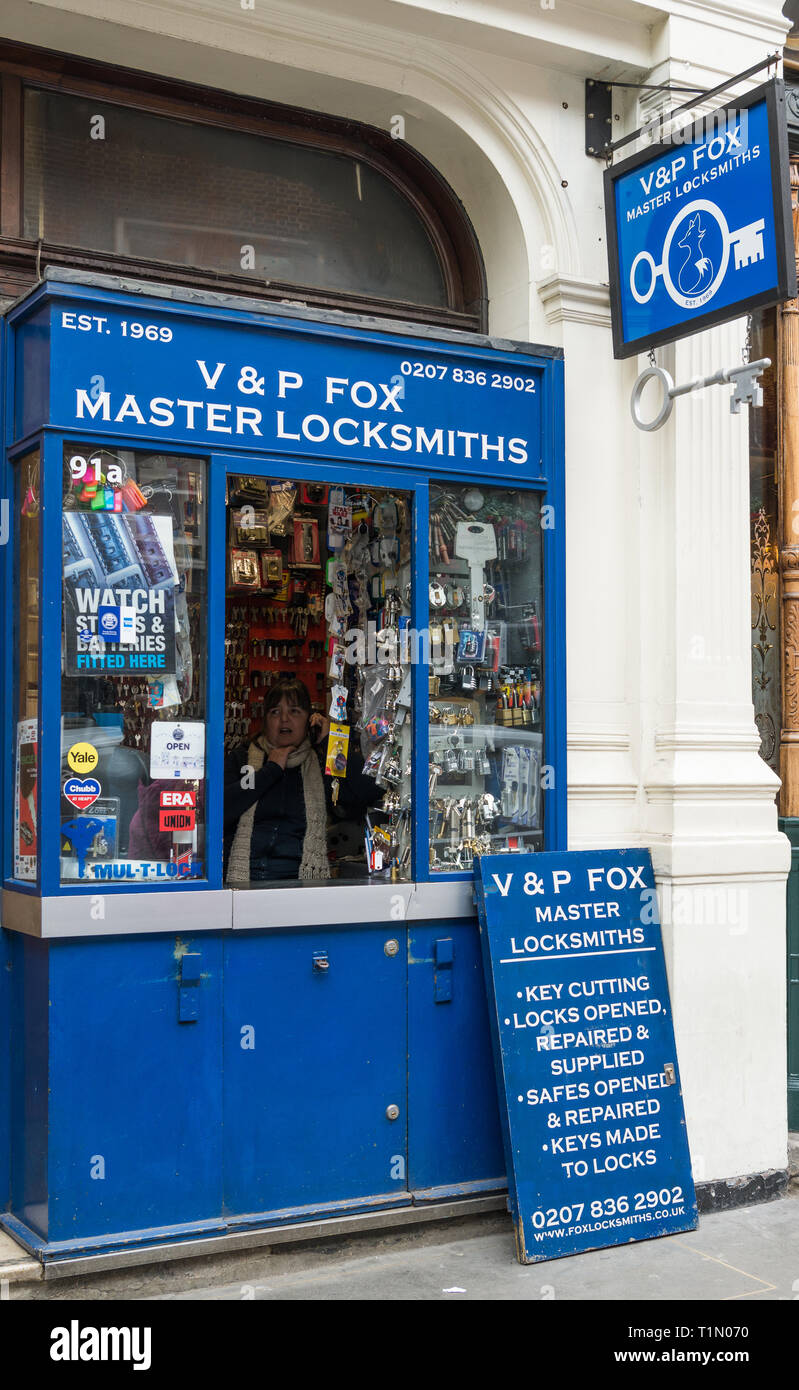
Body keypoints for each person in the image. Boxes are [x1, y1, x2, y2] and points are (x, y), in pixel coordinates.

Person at [224, 677, 380, 883]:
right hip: (243, 878)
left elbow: (370, 790)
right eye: (275, 712)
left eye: (295, 711)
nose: (284, 719)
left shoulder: (319, 761)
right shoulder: (243, 759)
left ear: (309, 719)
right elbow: (222, 809)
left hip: (302, 882)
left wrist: (331, 741)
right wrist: (270, 770)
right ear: (265, 721)